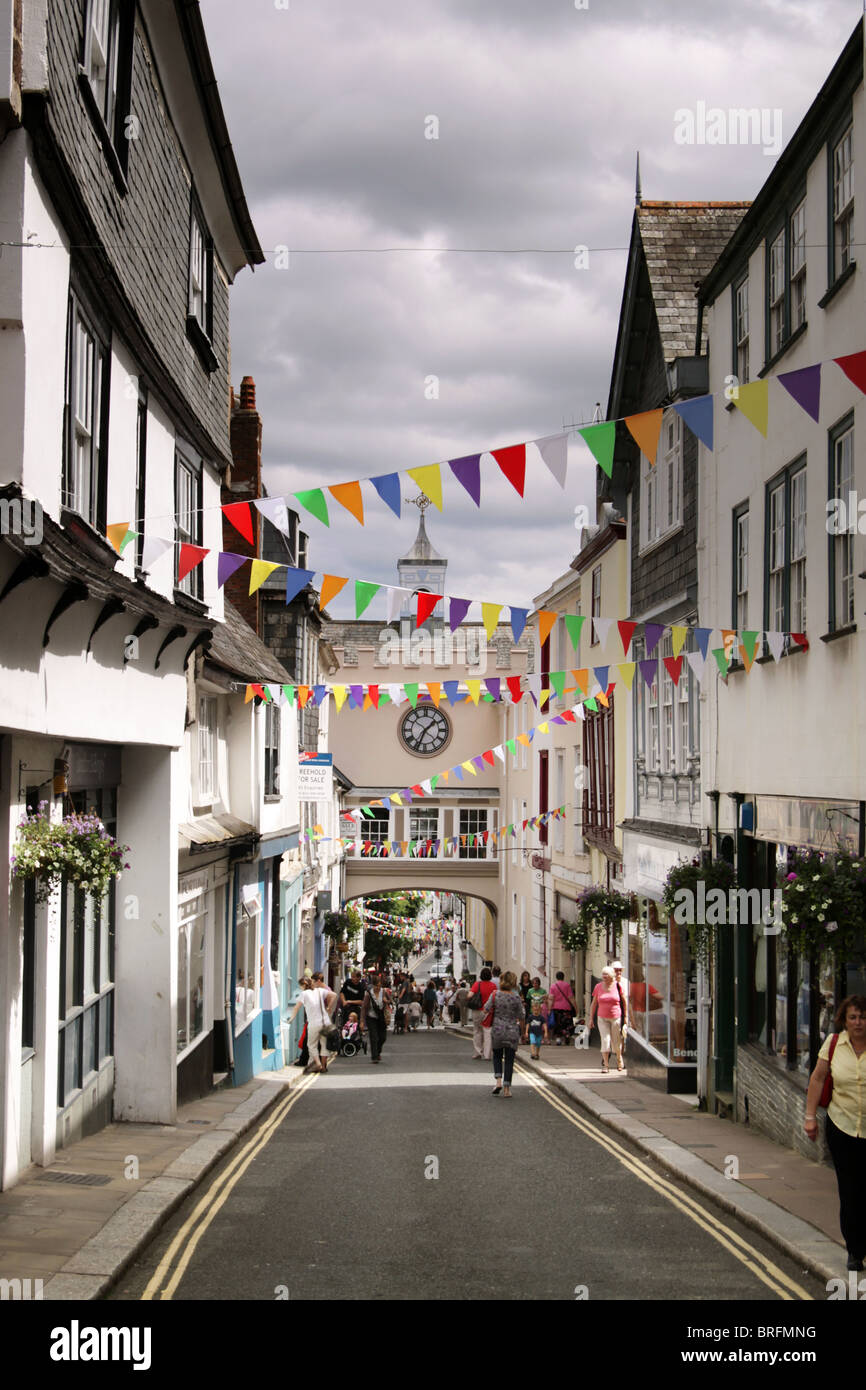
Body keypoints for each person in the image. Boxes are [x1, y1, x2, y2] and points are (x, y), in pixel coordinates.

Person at [804, 995, 866, 1270]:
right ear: (844, 1019)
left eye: (863, 1017)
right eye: (853, 1017)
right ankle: (855, 1251)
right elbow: (817, 1078)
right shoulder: (833, 1044)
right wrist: (810, 1117)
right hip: (842, 1127)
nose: (858, 1023)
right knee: (850, 1191)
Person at [482, 971, 523, 1097]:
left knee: (497, 1056)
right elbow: (521, 1016)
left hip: (498, 1031)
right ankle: (507, 1089)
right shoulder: (516, 997)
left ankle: (498, 1081)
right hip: (512, 1031)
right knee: (509, 1060)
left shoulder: (495, 995)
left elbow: (485, 1009)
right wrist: (523, 1033)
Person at [288, 972, 337, 1074]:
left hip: (314, 1024)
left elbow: (296, 1007)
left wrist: (291, 1019)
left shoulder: (304, 994)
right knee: (324, 1045)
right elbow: (334, 995)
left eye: (300, 986)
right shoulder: (320, 991)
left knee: (311, 1045)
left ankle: (318, 1064)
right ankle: (323, 1067)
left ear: (303, 985)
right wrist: (329, 1007)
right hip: (326, 1023)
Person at [588, 966, 624, 1073]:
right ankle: (606, 1065)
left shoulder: (618, 986)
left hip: (615, 1017)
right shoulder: (598, 986)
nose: (604, 976)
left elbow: (625, 1002)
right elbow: (594, 1003)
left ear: (612, 976)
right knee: (605, 1040)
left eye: (606, 974)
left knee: (616, 1042)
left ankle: (619, 1059)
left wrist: (625, 1018)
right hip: (602, 1018)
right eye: (603, 974)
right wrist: (591, 1019)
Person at [362, 974, 392, 1063]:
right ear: (373, 985)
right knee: (374, 1037)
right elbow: (364, 1008)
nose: (378, 988)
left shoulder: (384, 992)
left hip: (381, 1017)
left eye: (380, 986)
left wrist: (387, 1001)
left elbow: (391, 1001)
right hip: (371, 1017)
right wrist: (361, 1021)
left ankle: (378, 1051)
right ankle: (374, 1057)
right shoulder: (368, 994)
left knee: (382, 1038)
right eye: (377, 986)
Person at [468, 967, 497, 1060]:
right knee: (487, 1031)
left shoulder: (477, 984)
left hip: (477, 1010)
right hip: (488, 1011)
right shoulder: (493, 986)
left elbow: (469, 996)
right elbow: (495, 998)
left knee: (477, 1031)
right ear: (490, 975)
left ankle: (478, 1052)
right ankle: (487, 1054)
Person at [549, 971, 577, 1044]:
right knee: (566, 1023)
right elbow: (571, 997)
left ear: (556, 977)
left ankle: (558, 1039)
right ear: (563, 977)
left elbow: (551, 998)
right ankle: (567, 1035)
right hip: (566, 1008)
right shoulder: (567, 985)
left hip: (556, 1008)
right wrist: (575, 1007)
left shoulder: (553, 986)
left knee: (558, 1024)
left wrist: (549, 1009)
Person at [518, 971, 533, 1042]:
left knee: (529, 1020)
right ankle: (523, 1035)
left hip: (530, 1004)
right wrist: (522, 1002)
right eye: (524, 976)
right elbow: (519, 994)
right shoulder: (520, 985)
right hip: (522, 1004)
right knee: (522, 1020)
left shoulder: (531, 985)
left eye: (527, 976)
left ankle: (528, 1035)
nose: (526, 977)